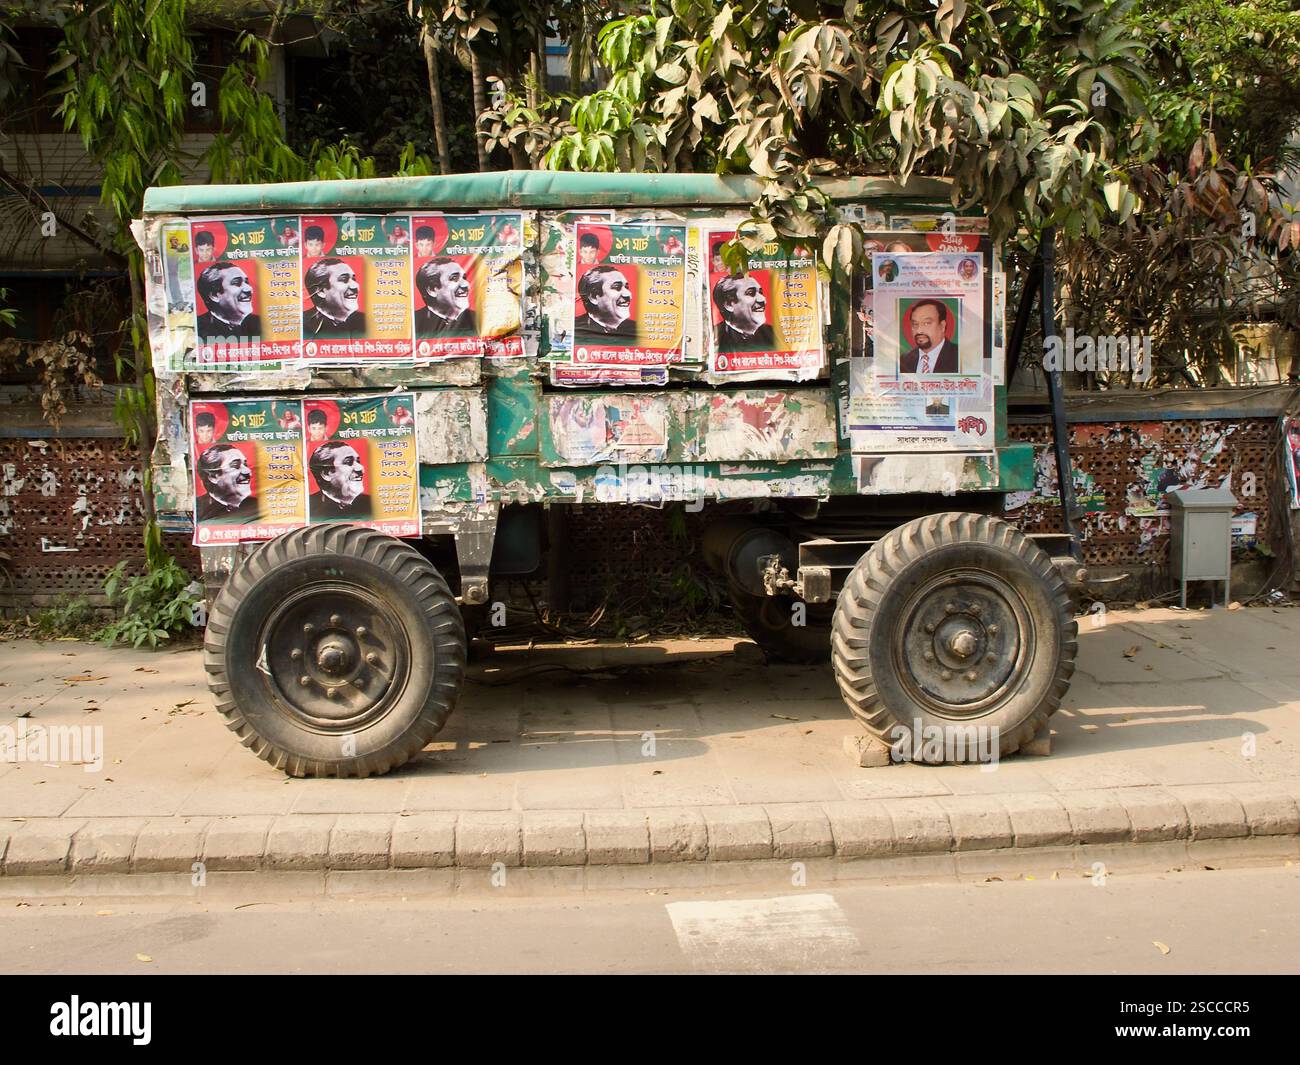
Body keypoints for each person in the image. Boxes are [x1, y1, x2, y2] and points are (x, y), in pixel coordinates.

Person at [195, 262, 261, 341]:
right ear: (214, 295)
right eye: (236, 283)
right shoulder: (197, 327)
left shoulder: (261, 323)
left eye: (246, 282)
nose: (249, 288)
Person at [414, 257, 476, 337]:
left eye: (464, 278)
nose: (466, 284)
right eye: (454, 278)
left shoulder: (477, 319)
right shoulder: (413, 322)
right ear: (432, 289)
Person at [303, 258, 365, 339]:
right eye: (344, 279)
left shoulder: (366, 321)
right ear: (320, 291)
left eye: (353, 279)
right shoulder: (302, 324)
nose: (355, 285)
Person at [309, 441, 371, 520]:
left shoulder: (371, 503)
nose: (360, 468)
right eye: (348, 462)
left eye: (358, 461)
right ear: (326, 473)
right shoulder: (309, 506)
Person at [713, 274, 776, 352]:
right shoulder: (713, 337)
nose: (762, 299)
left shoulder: (775, 334)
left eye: (760, 292)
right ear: (729, 304)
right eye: (750, 293)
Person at [196, 444, 257, 523]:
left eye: (245, 464)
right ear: (213, 476)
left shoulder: (256, 505)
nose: (247, 471)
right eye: (235, 465)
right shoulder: (199, 507)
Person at [574, 265, 636, 339]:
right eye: (616, 287)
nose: (628, 294)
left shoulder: (636, 329)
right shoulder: (574, 327)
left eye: (626, 287)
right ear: (593, 297)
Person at [900, 299, 959, 374]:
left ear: (942, 326)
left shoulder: (959, 356)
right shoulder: (904, 360)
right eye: (915, 324)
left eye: (927, 323)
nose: (919, 331)